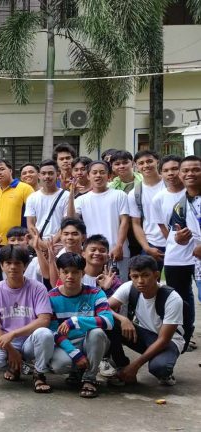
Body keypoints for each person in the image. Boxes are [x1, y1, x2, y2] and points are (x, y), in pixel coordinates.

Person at [0, 246, 55, 393]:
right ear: (1, 265)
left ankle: (39, 373)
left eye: (18, 263)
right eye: (8, 263)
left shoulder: (37, 288)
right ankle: (13, 366)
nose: (13, 267)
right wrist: (11, 350)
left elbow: (44, 320)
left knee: (44, 334)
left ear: (25, 265)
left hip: (30, 340)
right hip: (8, 340)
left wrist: (13, 334)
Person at [107, 256, 184, 386]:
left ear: (156, 275)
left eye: (145, 275)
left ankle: (165, 373)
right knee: (109, 323)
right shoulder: (129, 287)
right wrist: (123, 319)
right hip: (144, 335)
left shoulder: (172, 298)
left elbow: (163, 340)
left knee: (160, 367)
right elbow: (103, 308)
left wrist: (135, 366)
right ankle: (121, 366)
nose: (140, 281)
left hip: (169, 341)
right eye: (135, 276)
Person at [47, 252, 114, 398]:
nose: (70, 276)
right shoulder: (51, 297)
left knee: (97, 332)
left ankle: (89, 378)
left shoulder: (96, 293)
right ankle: (76, 371)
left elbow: (108, 321)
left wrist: (75, 321)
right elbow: (53, 331)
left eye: (75, 272)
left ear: (82, 273)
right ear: (59, 273)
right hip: (66, 343)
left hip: (89, 342)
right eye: (65, 272)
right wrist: (74, 353)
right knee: (58, 366)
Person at [163, 155, 200, 350]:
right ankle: (183, 338)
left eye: (195, 169)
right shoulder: (181, 203)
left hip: (196, 257)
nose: (190, 174)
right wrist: (179, 238)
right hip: (184, 259)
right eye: (185, 171)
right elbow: (176, 231)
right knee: (182, 298)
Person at [69, 161, 130, 274]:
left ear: (109, 176)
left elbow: (125, 221)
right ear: (88, 176)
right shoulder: (82, 200)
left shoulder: (119, 195)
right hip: (92, 253)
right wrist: (72, 192)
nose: (98, 175)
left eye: (102, 172)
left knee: (117, 288)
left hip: (117, 251)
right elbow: (71, 219)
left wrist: (119, 246)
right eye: (94, 172)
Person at [129, 150, 166, 262]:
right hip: (152, 243)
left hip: (177, 241)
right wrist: (146, 248)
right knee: (148, 278)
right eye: (141, 163)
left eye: (149, 161)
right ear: (136, 166)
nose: (146, 165)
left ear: (157, 162)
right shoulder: (135, 193)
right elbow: (136, 223)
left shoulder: (170, 184)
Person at [0, 159, 34, 246]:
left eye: (2, 169)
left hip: (19, 241)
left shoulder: (25, 188)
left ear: (10, 170)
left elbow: (33, 215)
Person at [25, 160, 69, 242]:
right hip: (39, 241)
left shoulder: (67, 196)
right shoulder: (32, 197)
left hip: (60, 243)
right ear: (39, 175)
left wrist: (53, 242)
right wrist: (39, 242)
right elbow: (30, 224)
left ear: (58, 175)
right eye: (43, 173)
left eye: (51, 173)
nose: (47, 176)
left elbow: (66, 223)